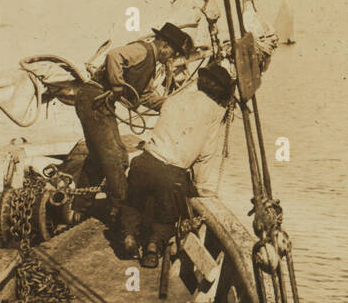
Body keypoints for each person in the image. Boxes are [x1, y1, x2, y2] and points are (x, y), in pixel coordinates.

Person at [72, 22, 195, 220]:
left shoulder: (151, 66)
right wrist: (117, 86)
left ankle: (79, 209)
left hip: (97, 102)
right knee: (117, 156)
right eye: (173, 52)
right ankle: (121, 211)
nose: (172, 57)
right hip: (94, 99)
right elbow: (114, 56)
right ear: (164, 44)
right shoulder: (143, 50)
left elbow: (145, 96)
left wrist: (173, 107)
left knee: (97, 158)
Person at [118, 61, 237, 266]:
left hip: (144, 162)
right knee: (167, 215)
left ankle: (129, 234)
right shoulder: (214, 113)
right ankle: (153, 246)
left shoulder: (174, 99)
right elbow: (205, 155)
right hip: (171, 173)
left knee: (133, 203)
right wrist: (202, 188)